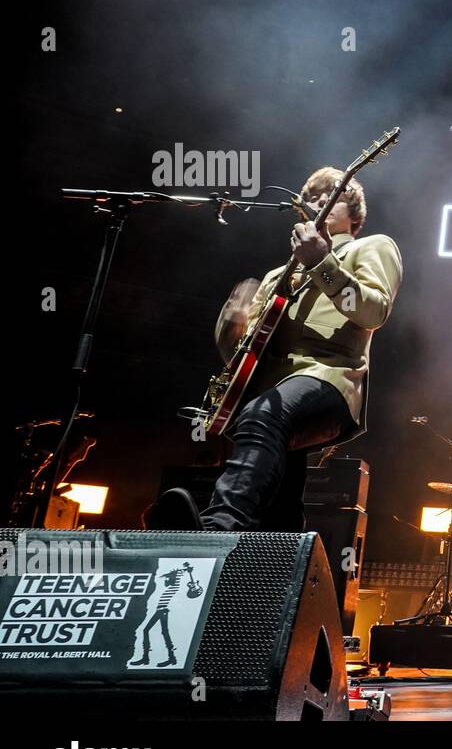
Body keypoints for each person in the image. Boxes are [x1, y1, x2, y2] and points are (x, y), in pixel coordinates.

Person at [150, 167, 401, 532]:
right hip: (274, 388)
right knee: (280, 501)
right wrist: (231, 323)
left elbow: (373, 311)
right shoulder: (276, 276)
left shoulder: (372, 246)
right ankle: (274, 566)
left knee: (263, 414)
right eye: (311, 197)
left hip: (329, 376)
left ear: (355, 213)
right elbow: (240, 357)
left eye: (332, 196)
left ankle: (220, 527)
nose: (319, 202)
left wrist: (321, 261)